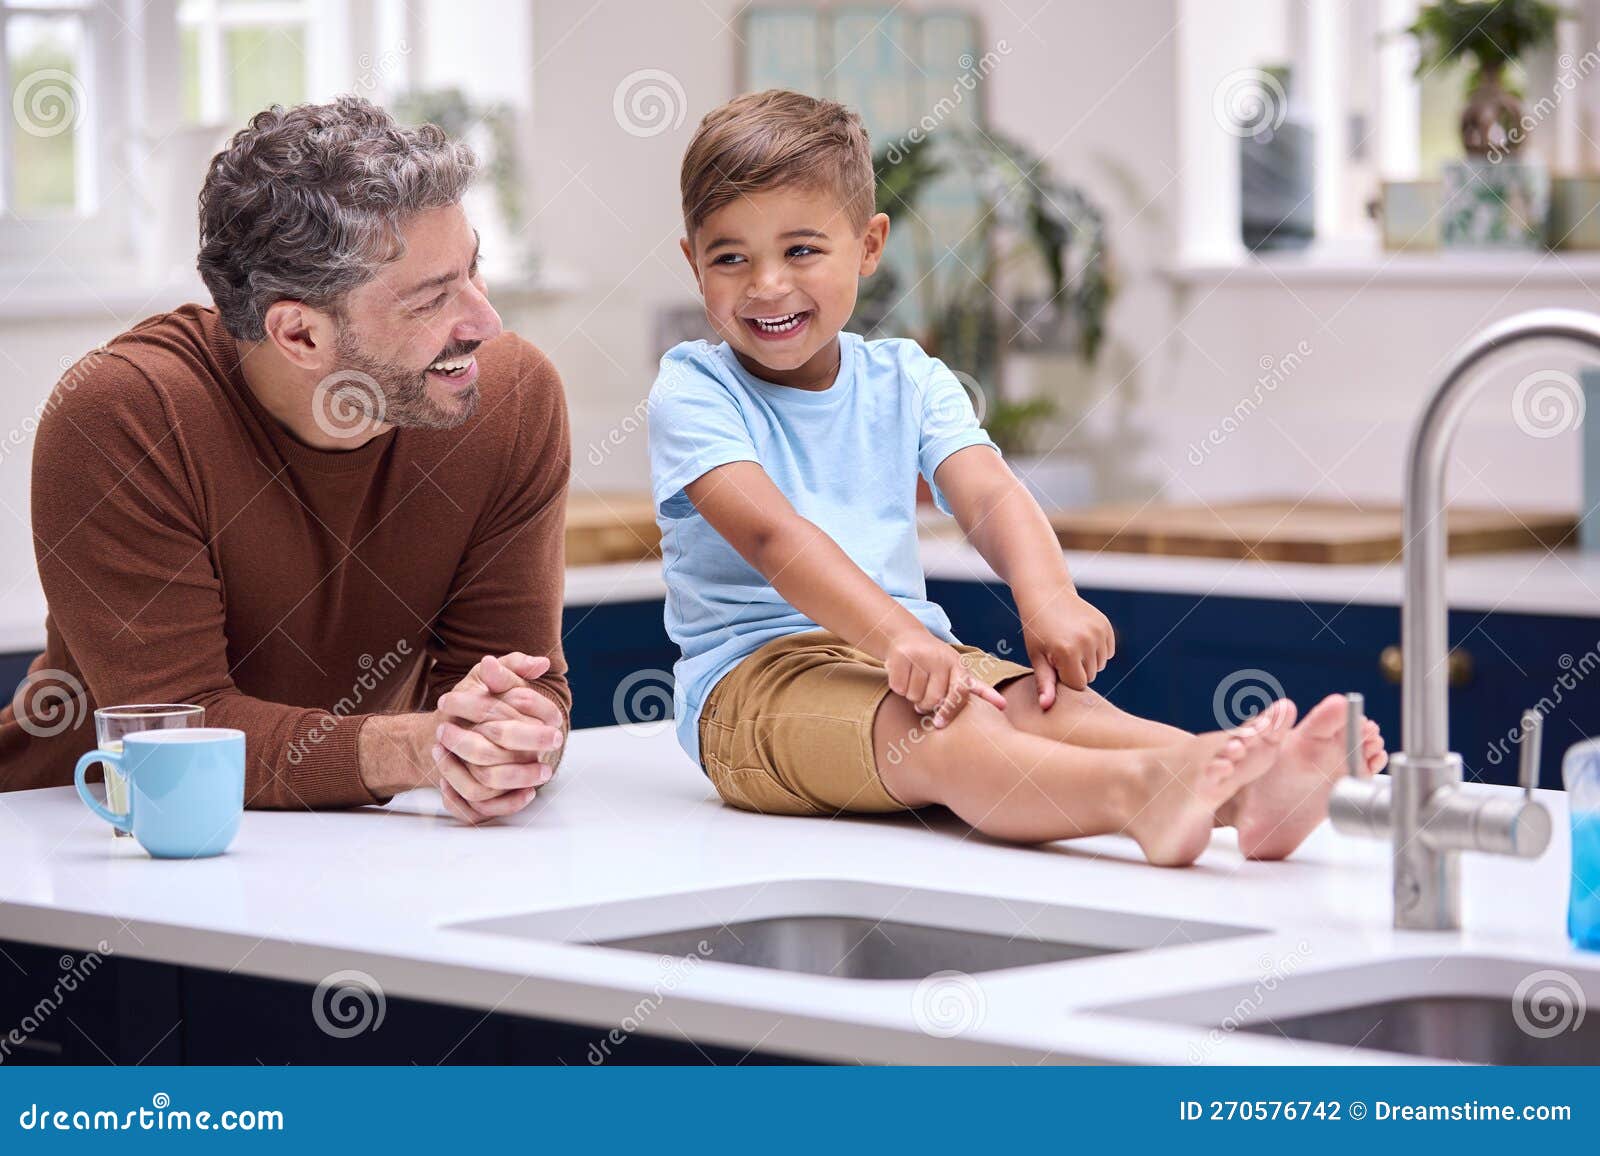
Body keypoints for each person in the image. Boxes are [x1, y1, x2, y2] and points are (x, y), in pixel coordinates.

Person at [647, 90, 1387, 865]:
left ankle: (1246, 797)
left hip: (908, 654)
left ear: (868, 246)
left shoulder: (907, 377)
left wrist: (1048, 596)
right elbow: (773, 538)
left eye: (801, 250)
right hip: (759, 681)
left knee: (1059, 709)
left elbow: (989, 493)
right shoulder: (696, 390)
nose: (766, 284)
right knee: (952, 733)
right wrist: (897, 634)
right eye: (731, 256)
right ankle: (1141, 798)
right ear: (694, 261)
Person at [0, 96, 567, 825]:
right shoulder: (124, 413)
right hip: (77, 834)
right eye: (432, 300)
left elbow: (521, 686)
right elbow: (173, 734)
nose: (485, 321)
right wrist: (421, 751)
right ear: (299, 335)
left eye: (473, 270)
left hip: (345, 845)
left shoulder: (511, 398)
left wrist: (513, 738)